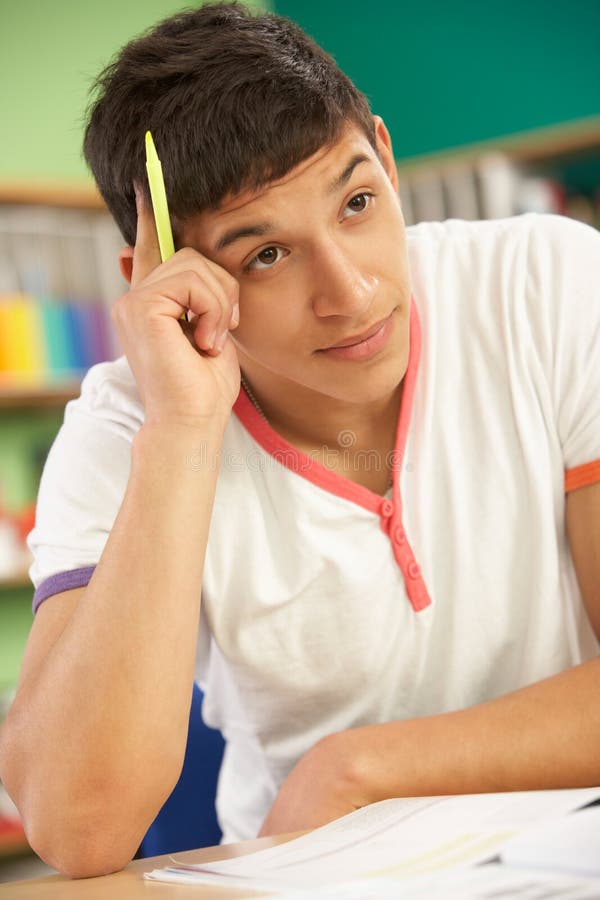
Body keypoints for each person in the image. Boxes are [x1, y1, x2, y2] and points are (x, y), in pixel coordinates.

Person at [1, 0, 599, 880]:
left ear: (389, 160)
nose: (352, 294)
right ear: (157, 278)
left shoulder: (546, 284)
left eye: (357, 201)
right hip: (309, 876)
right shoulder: (127, 424)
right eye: (264, 257)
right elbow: (77, 824)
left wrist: (358, 769)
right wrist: (183, 430)